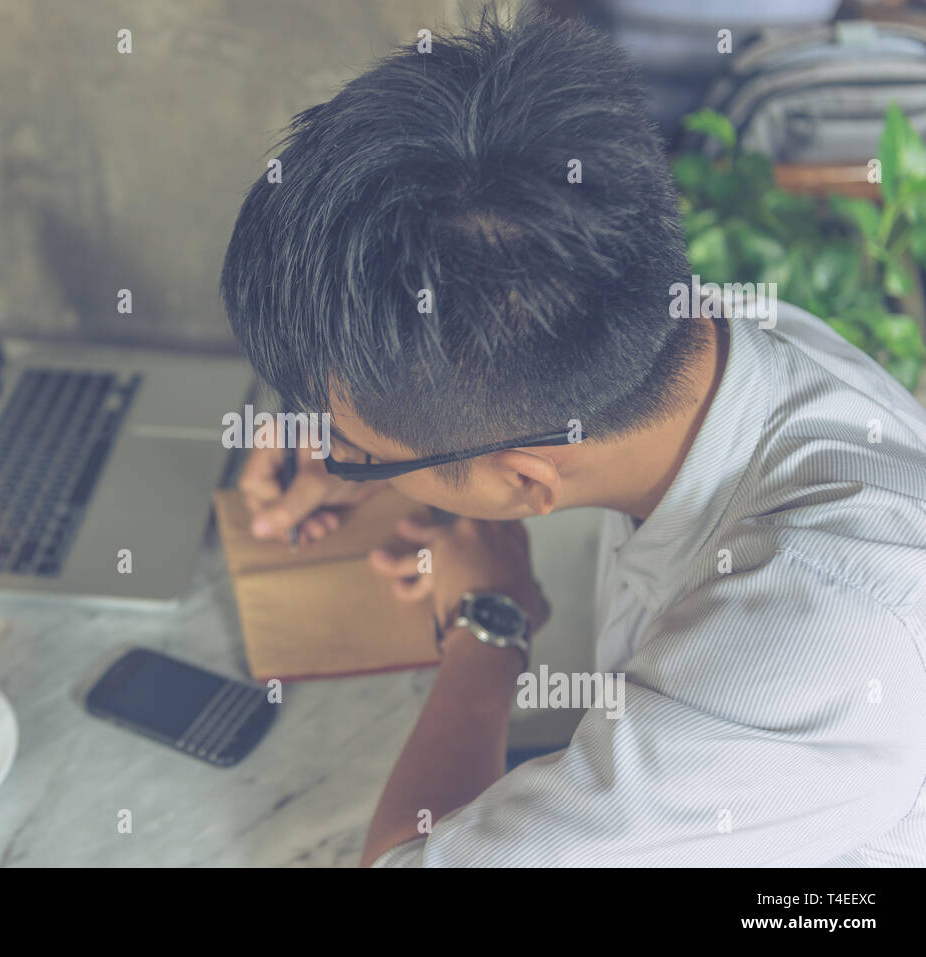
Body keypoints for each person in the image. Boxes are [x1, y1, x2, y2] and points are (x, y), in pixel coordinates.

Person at [218, 6, 926, 866]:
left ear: (523, 486)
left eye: (355, 450)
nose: (343, 458)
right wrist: (398, 447)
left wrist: (490, 623)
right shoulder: (740, 333)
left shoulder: (799, 649)